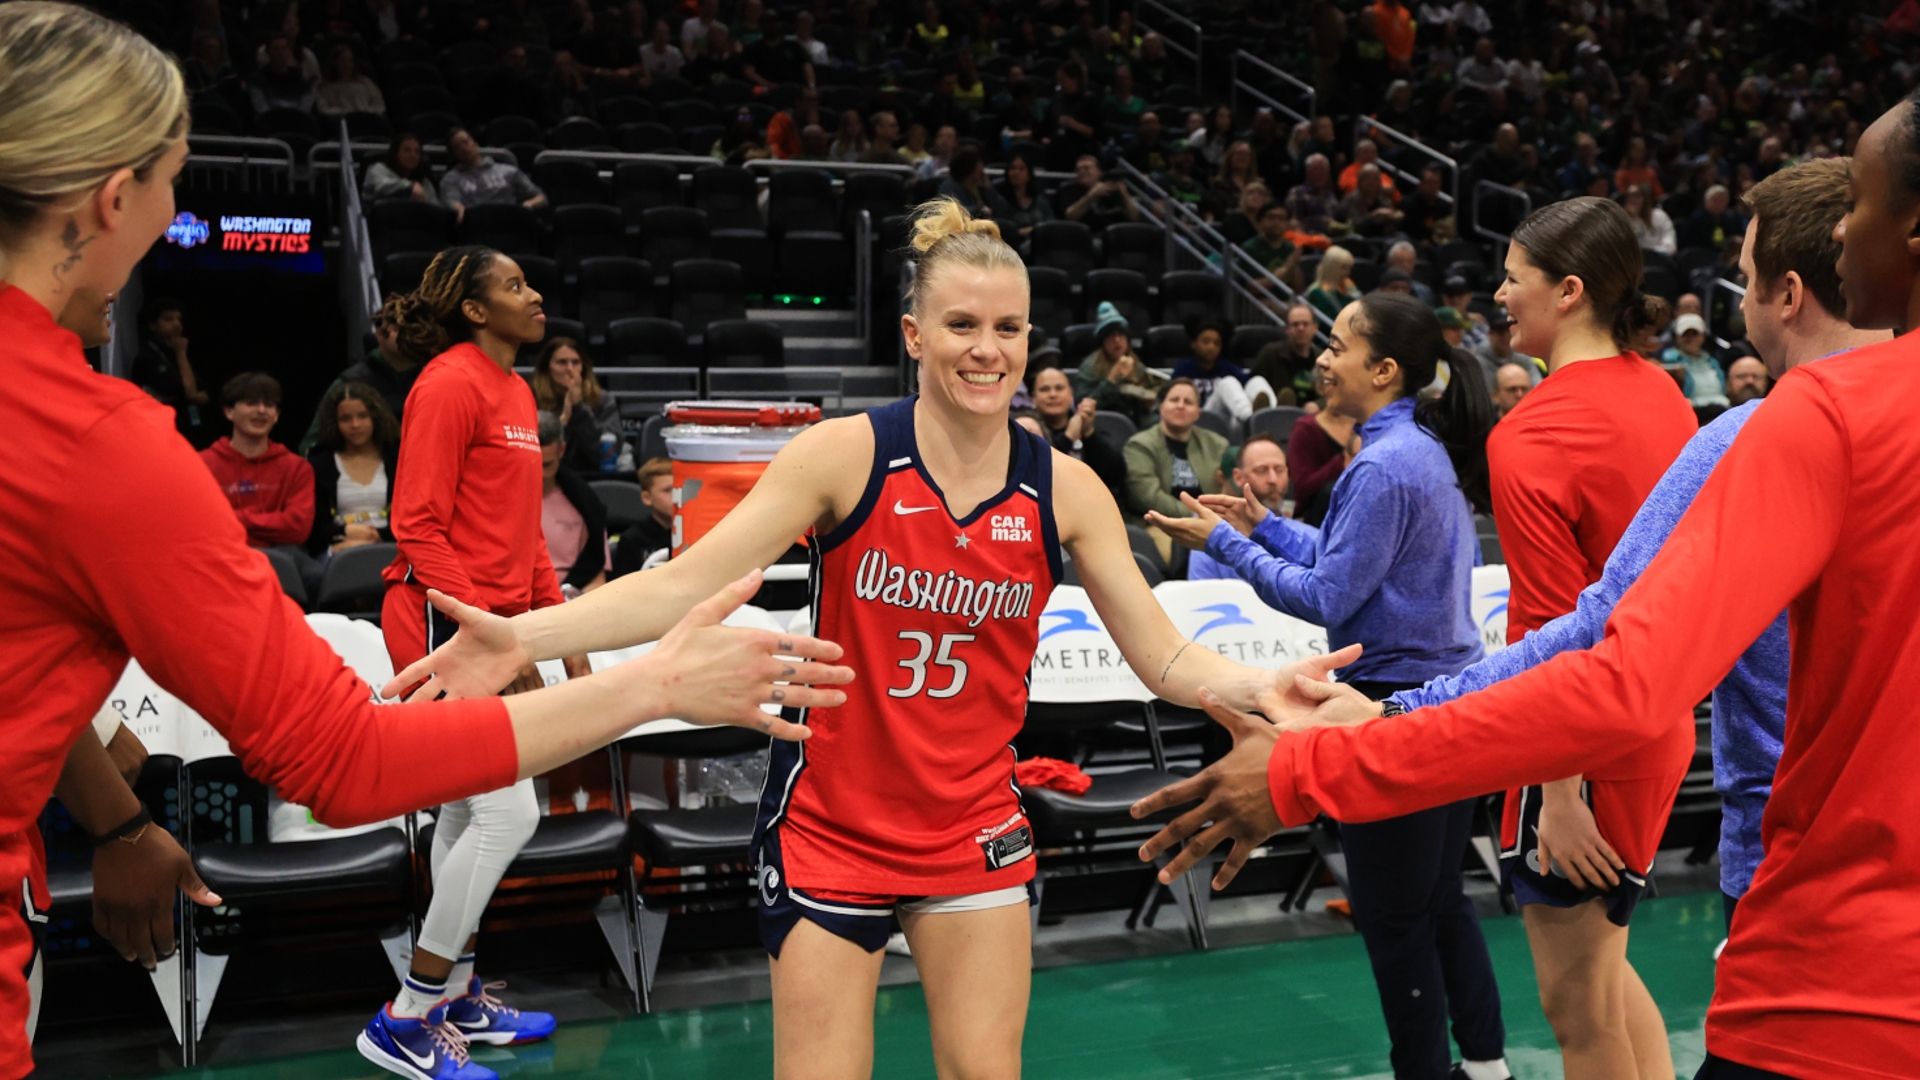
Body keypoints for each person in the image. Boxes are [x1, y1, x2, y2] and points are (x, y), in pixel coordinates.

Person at [0, 9, 851, 1077]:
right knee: (497, 815)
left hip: (505, 627)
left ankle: (449, 990)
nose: (173, 209)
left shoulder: (514, 392)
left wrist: (114, 819)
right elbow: (351, 731)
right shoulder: (109, 438)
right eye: (172, 181)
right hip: (448, 628)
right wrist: (651, 678)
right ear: (113, 198)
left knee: (487, 819)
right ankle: (414, 1010)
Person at [391, 197, 1359, 1080]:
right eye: (963, 327)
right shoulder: (847, 453)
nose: (988, 351)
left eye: (1009, 330)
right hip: (831, 827)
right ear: (913, 335)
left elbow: (1164, 654)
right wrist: (520, 637)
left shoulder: (1064, 486)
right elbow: (685, 583)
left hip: (971, 825)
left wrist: (1256, 684)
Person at [1134, 128, 1918, 1080]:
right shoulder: (1670, 402)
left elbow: (1589, 636)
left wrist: (1369, 740)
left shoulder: (1697, 427)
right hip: (1665, 753)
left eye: (1514, 277)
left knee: (1571, 998)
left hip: (1729, 858)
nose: (1500, 295)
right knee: (1592, 972)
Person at [1151, 293, 1508, 1080]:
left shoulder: (1382, 463)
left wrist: (1224, 545)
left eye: (1338, 343)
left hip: (1382, 705)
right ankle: (1486, 1065)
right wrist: (1261, 526)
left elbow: (1326, 596)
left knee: (1393, 917)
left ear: (1383, 370)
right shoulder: (1417, 451)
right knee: (1442, 899)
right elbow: (1352, 555)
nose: (1322, 355)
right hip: (1445, 699)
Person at [199, 372, 320, 589]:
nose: (262, 411)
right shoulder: (201, 464)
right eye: (251, 403)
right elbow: (201, 524)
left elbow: (298, 528)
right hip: (221, 554)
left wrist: (235, 518)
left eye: (270, 405)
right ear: (228, 411)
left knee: (316, 577)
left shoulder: (297, 467)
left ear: (277, 415)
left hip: (285, 555)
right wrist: (270, 522)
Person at [299, 293, 427, 453]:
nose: (407, 336)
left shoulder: (431, 378)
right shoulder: (350, 382)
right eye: (398, 329)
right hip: (366, 472)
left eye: (414, 330)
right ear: (379, 334)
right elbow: (311, 446)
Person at [305, 381, 400, 557]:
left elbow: (414, 520)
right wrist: (346, 533)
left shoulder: (398, 457)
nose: (355, 425)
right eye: (345, 419)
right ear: (335, 423)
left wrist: (378, 536)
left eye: (362, 416)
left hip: (391, 545)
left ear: (375, 417)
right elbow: (314, 528)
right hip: (340, 548)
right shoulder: (320, 462)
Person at [1185, 433, 1288, 580]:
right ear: (1238, 477)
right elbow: (1202, 598)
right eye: (1261, 470)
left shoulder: (1312, 536)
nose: (1273, 479)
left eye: (1279, 470)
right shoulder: (1212, 535)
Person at [1124, 379, 1227, 520]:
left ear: (1198, 412)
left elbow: (1228, 490)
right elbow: (1147, 497)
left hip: (1210, 522)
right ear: (1161, 407)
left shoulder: (1217, 445)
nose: (1180, 406)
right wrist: (1195, 515)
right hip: (1158, 522)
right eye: (1174, 400)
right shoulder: (1139, 445)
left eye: (1188, 402)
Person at [1029, 365, 1128, 504]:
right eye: (1045, 389)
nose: (1053, 394)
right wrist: (1067, 438)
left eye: (1059, 388)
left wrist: (1089, 433)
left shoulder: (1086, 426)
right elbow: (1032, 474)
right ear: (1033, 398)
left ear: (1071, 394)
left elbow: (1117, 475)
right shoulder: (1027, 430)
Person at [537, 410, 611, 597]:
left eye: (546, 465)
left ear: (561, 450)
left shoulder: (587, 504)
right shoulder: (498, 503)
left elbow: (596, 577)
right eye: (533, 463)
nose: (540, 474)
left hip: (570, 604)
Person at [531, 337, 620, 474]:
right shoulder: (531, 399)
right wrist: (564, 420)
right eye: (562, 363)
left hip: (594, 475)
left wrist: (578, 408)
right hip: (544, 476)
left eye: (576, 362)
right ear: (547, 368)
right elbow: (535, 452)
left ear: (583, 368)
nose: (570, 369)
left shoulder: (603, 400)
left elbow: (604, 454)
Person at [130, 294, 210, 445]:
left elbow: (202, 390)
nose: (176, 325)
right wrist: (181, 354)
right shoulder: (147, 357)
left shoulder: (179, 351)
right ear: (153, 325)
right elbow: (186, 392)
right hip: (164, 432)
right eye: (168, 319)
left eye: (179, 320)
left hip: (191, 429)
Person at [1171, 316, 1269, 426]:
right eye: (1206, 342)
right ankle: (1251, 418)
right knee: (1227, 382)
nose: (1211, 347)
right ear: (1194, 344)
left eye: (1216, 343)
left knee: (1257, 381)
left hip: (1229, 424)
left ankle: (1274, 414)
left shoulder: (1227, 367)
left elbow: (1247, 387)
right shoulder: (1184, 369)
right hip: (1200, 420)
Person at [439, 127, 548, 220]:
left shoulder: (508, 171)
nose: (463, 148)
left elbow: (541, 199)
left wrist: (527, 205)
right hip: (476, 226)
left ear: (475, 144)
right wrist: (458, 209)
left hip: (510, 223)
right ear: (453, 154)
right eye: (457, 147)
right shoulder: (450, 180)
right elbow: (452, 203)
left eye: (465, 142)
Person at [1247, 303, 1324, 408]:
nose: (1301, 329)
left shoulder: (1323, 359)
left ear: (1315, 328)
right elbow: (1254, 385)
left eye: (1305, 324)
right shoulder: (1271, 353)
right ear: (1286, 328)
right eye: (1295, 324)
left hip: (1311, 417)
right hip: (1274, 412)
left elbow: (1333, 394)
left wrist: (1318, 405)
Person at [609, 456, 674, 579]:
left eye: (679, 489)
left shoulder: (696, 533)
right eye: (668, 490)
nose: (676, 496)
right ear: (647, 498)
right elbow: (622, 586)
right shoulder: (633, 539)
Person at [1663, 313, 1730, 411]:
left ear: (1703, 337)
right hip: (1693, 411)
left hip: (1721, 409)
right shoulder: (1669, 362)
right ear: (1676, 337)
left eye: (1695, 334)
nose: (1690, 339)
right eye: (1685, 334)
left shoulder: (1713, 362)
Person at [1057, 155, 1141, 231]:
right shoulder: (1069, 189)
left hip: (1117, 234)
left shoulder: (1111, 188)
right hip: (1087, 234)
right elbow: (1070, 216)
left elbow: (1134, 217)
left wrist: (1124, 193)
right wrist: (1092, 194)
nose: (1081, 172)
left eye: (1086, 168)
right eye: (1078, 170)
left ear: (1098, 172)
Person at [362, 133, 439, 205]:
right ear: (395, 154)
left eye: (417, 152)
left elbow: (435, 205)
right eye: (407, 150)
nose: (413, 155)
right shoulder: (378, 169)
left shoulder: (423, 180)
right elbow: (380, 187)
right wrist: (410, 185)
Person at [937, 145, 1011, 220]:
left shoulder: (981, 186)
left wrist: (988, 188)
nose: (982, 167)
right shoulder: (949, 187)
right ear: (969, 167)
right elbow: (954, 213)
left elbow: (1005, 212)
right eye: (979, 163)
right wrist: (979, 210)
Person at [994, 151, 1054, 239]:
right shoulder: (1001, 201)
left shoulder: (1040, 201)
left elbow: (1051, 225)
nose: (1016, 172)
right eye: (1013, 168)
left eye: (1022, 169)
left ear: (1029, 175)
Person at [316, 44, 384, 119]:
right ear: (334, 63)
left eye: (350, 61)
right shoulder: (327, 87)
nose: (347, 65)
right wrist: (345, 113)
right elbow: (323, 108)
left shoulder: (364, 83)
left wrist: (367, 112)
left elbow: (378, 104)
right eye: (342, 61)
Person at [1307, 246, 1362, 326]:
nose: (1348, 272)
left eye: (1349, 268)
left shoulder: (1349, 286)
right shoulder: (1317, 293)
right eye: (1343, 268)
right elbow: (1324, 324)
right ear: (1332, 268)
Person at [1623, 182, 1677, 255]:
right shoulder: (1624, 219)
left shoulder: (1660, 215)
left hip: (1660, 257)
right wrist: (1634, 218)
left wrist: (1652, 252)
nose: (1632, 199)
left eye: (1636, 195)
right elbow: (1627, 247)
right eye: (1629, 196)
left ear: (1646, 198)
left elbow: (1670, 244)